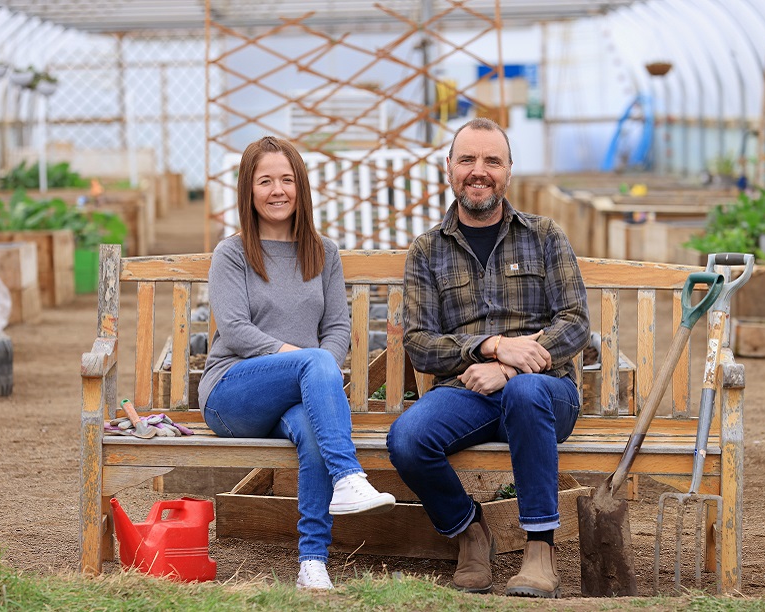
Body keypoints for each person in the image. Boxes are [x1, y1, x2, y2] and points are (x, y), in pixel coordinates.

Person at [387, 118, 590, 599]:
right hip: (469, 395)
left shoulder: (543, 235)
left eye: (492, 161)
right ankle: (470, 531)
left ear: (509, 172)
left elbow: (576, 321)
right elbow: (418, 341)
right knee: (408, 438)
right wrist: (488, 347)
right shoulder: (426, 251)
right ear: (450, 169)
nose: (479, 171)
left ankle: (540, 549)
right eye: (468, 160)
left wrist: (510, 367)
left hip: (546, 394)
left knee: (523, 391)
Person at [199, 136, 396, 591]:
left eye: (286, 179)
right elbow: (234, 330)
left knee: (311, 430)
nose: (277, 190)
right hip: (233, 394)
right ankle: (348, 476)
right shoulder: (231, 253)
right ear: (248, 190)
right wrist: (305, 360)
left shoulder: (322, 251)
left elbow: (338, 329)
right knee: (316, 364)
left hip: (296, 393)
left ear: (301, 187)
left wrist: (316, 363)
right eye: (264, 180)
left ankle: (312, 563)